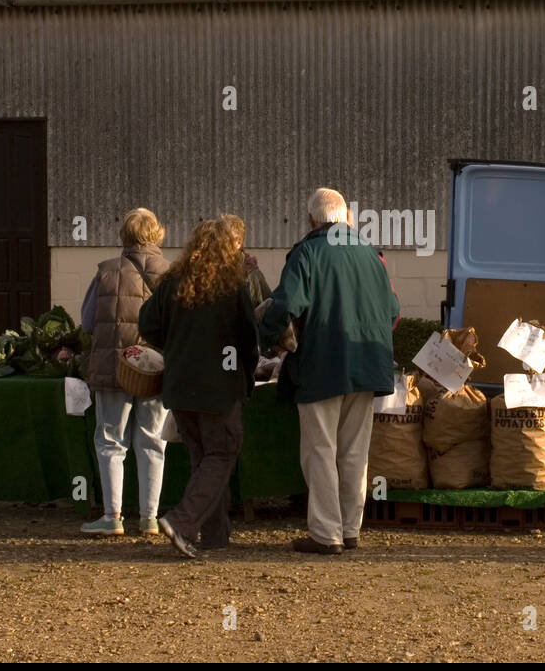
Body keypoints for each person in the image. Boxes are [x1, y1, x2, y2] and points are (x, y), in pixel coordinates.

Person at [258, 188, 401, 555]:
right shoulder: (372, 254)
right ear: (347, 218)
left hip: (321, 364)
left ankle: (326, 534)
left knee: (320, 450)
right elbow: (393, 312)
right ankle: (350, 529)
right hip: (368, 365)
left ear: (311, 220)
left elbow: (286, 302)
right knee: (354, 451)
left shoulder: (306, 252)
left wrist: (269, 336)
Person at [138, 215, 258, 558]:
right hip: (219, 386)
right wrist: (245, 372)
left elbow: (148, 324)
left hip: (180, 384)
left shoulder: (174, 280)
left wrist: (174, 344)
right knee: (221, 455)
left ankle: (215, 535)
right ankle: (182, 522)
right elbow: (248, 339)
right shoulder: (232, 286)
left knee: (204, 459)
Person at [79, 208, 170, 537]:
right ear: (158, 233)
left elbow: (88, 321)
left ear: (124, 235)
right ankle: (149, 518)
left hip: (114, 367)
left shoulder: (105, 272)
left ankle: (112, 516)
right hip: (156, 369)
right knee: (152, 443)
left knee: (111, 441)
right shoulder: (171, 274)